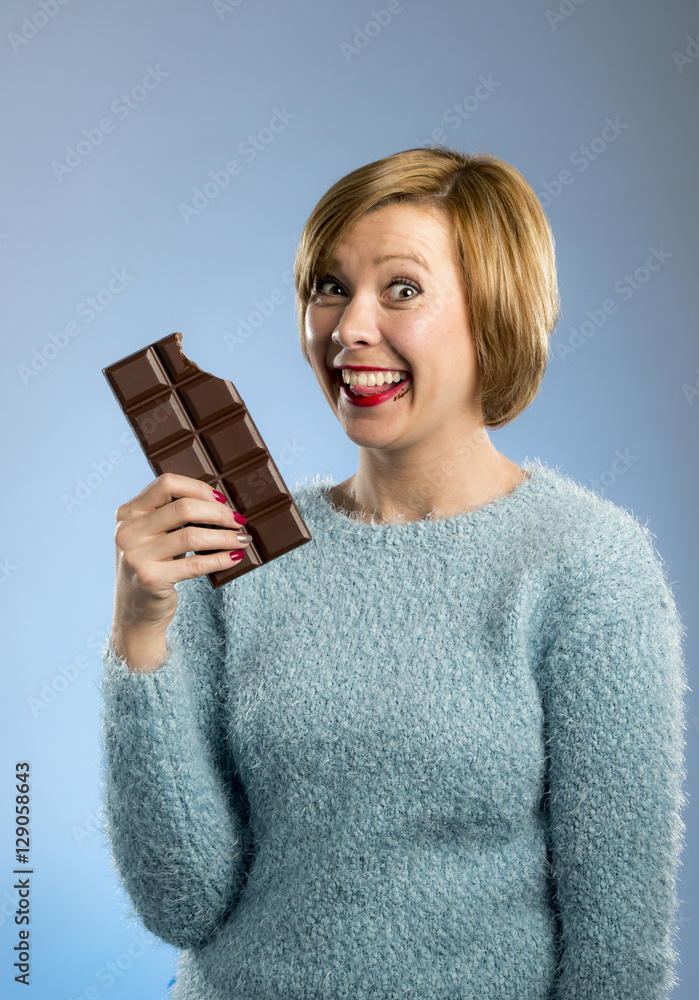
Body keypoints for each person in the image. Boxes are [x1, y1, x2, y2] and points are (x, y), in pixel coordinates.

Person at [99, 146, 688, 1000]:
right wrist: (140, 637)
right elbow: (181, 903)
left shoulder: (584, 565)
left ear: (493, 311)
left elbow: (617, 954)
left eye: (401, 289)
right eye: (328, 287)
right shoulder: (237, 549)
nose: (348, 328)